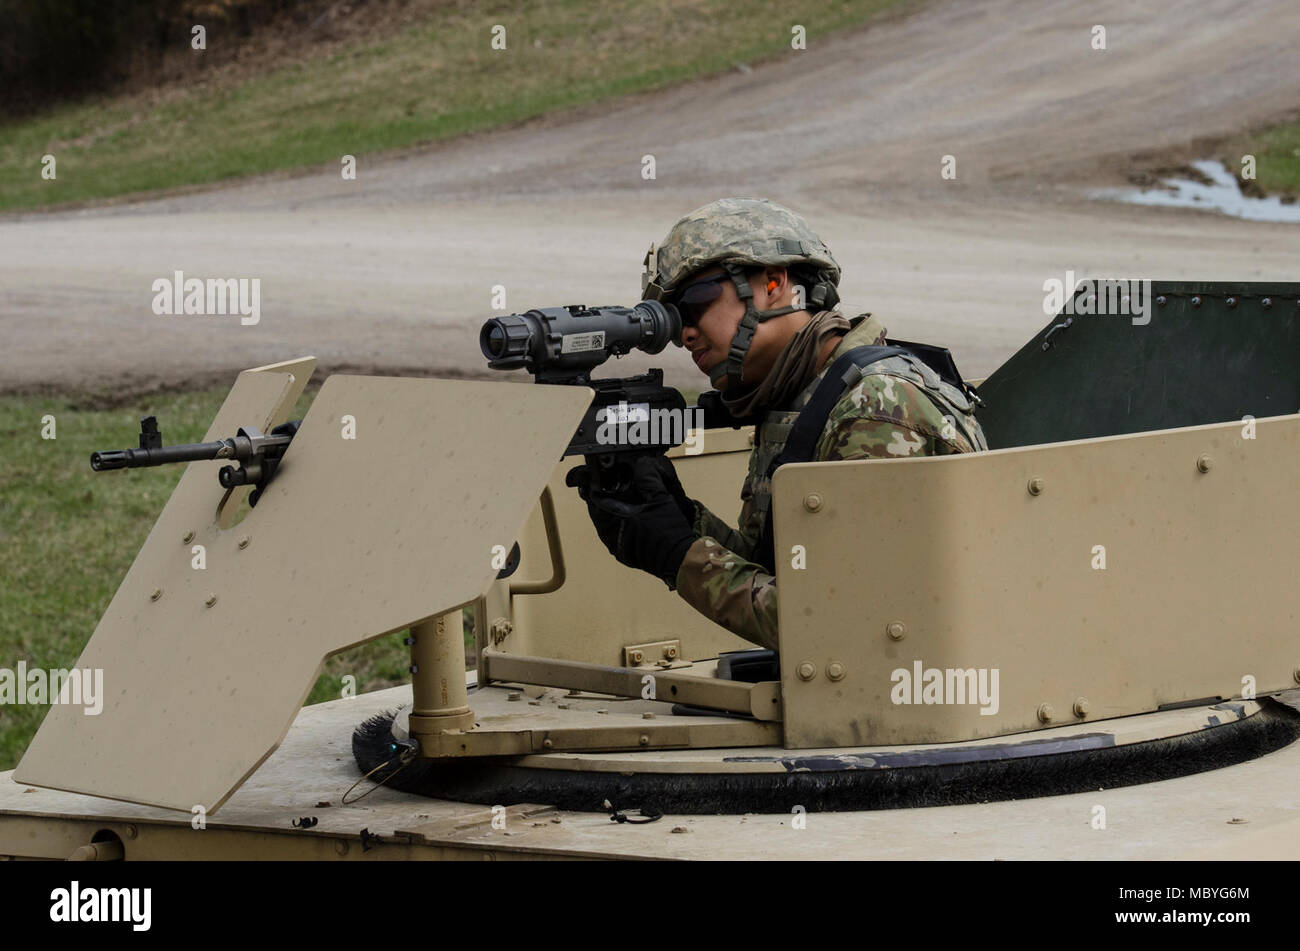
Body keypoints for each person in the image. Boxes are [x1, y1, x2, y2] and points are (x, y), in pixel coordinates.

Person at [578, 197, 987, 651]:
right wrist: (674, 518)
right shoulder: (805, 396)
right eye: (675, 324)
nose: (686, 334)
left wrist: (680, 555)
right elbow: (780, 573)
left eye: (693, 304)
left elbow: (842, 627)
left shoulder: (875, 408)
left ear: (773, 284)